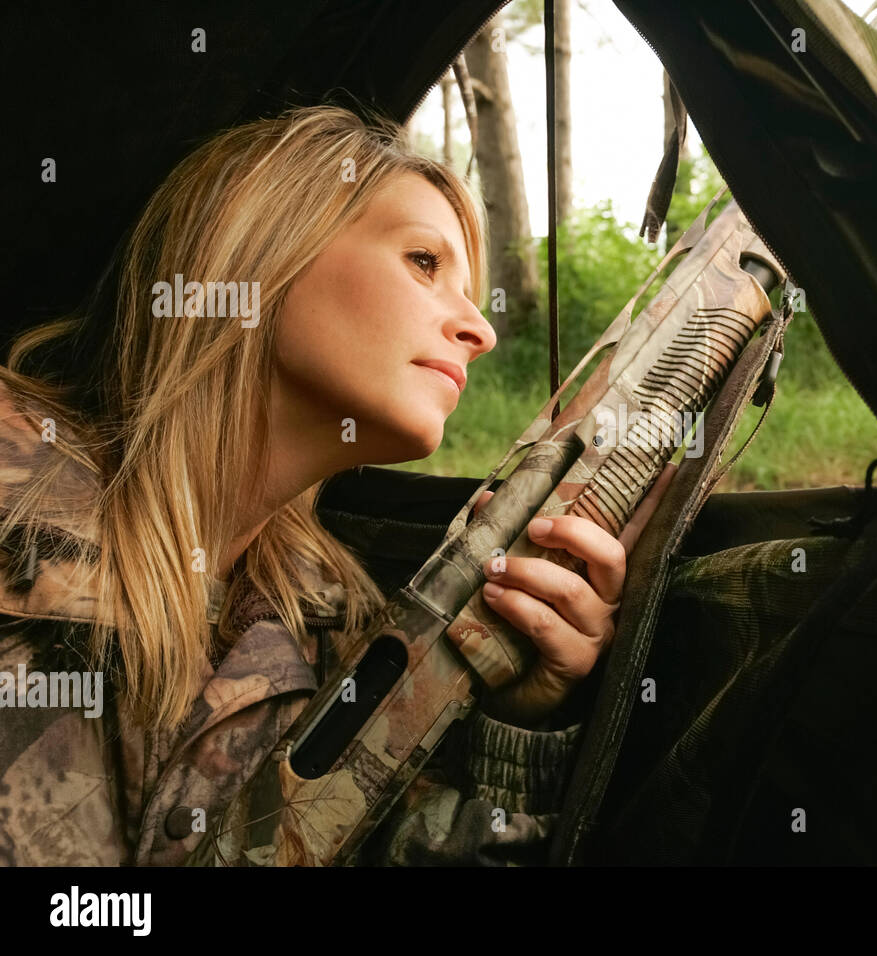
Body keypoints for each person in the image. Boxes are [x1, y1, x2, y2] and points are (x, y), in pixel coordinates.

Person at [0, 105, 673, 865]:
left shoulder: (335, 630)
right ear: (256, 248)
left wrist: (517, 721)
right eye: (425, 262)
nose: (480, 330)